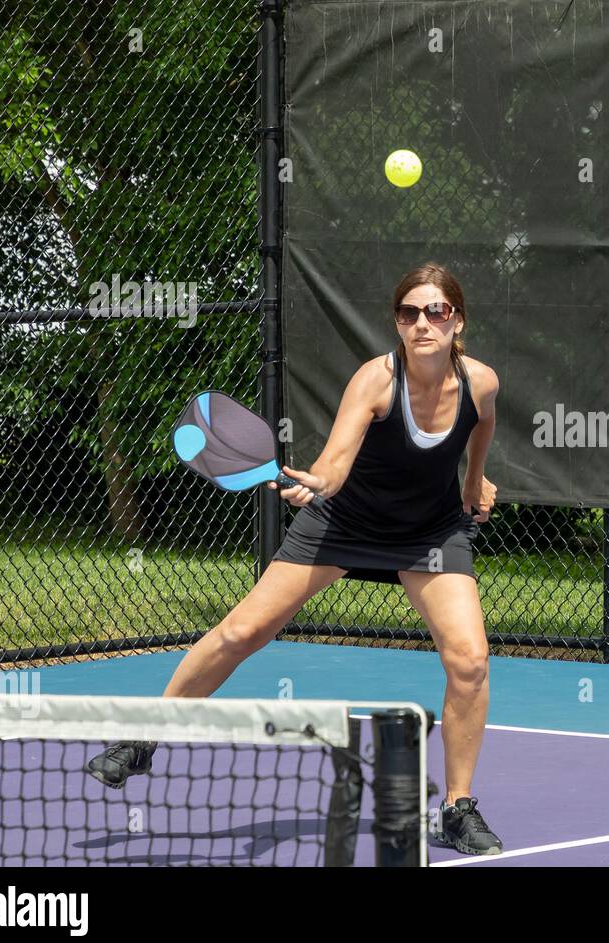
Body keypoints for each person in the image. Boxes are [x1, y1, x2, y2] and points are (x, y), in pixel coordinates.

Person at [87, 262, 504, 857]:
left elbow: (482, 424)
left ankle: (457, 809)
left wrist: (476, 480)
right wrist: (320, 483)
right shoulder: (374, 381)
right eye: (408, 313)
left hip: (428, 532)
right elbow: (336, 460)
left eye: (435, 311)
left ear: (456, 320)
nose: (421, 323)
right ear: (398, 323)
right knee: (243, 630)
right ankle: (144, 737)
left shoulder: (480, 381)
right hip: (343, 521)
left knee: (469, 661)